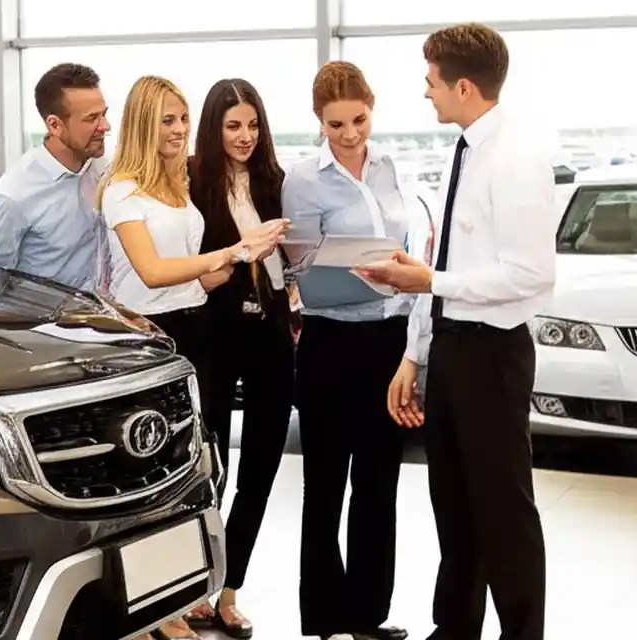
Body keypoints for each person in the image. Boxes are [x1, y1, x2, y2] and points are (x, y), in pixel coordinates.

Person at [357, 23, 556, 640]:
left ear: (463, 85)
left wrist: (430, 285)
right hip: (450, 347)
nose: (426, 92)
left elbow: (530, 274)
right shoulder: (463, 149)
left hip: (493, 356)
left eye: (431, 81)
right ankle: (456, 627)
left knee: (503, 511)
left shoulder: (516, 159)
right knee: (454, 503)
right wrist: (415, 355)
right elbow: (443, 262)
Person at [97, 75, 285, 640]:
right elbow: (152, 272)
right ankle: (165, 608)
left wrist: (238, 269)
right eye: (168, 121)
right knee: (168, 478)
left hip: (197, 327)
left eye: (182, 119)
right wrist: (230, 254)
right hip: (153, 339)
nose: (178, 131)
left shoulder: (177, 185)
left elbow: (192, 275)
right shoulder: (123, 189)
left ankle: (201, 595)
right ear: (142, 125)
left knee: (202, 473)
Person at [281, 61, 410, 640]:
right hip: (331, 342)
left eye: (358, 120)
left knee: (380, 485)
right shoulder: (303, 179)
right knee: (327, 485)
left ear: (371, 108)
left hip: (389, 339)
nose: (350, 134)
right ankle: (324, 619)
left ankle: (367, 616)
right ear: (319, 120)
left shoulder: (390, 168)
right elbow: (302, 271)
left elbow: (405, 243)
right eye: (336, 125)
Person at [182, 78, 295, 639]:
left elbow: (290, 261)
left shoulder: (276, 181)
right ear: (214, 127)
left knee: (261, 470)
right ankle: (192, 594)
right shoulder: (192, 181)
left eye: (252, 125)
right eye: (233, 126)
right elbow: (193, 266)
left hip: (272, 332)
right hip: (214, 335)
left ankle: (229, 592)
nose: (245, 136)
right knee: (210, 471)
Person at [0, 62, 111, 291]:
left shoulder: (103, 168)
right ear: (55, 125)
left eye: (104, 115)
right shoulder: (13, 195)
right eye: (92, 119)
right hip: (44, 324)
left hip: (101, 318)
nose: (105, 126)